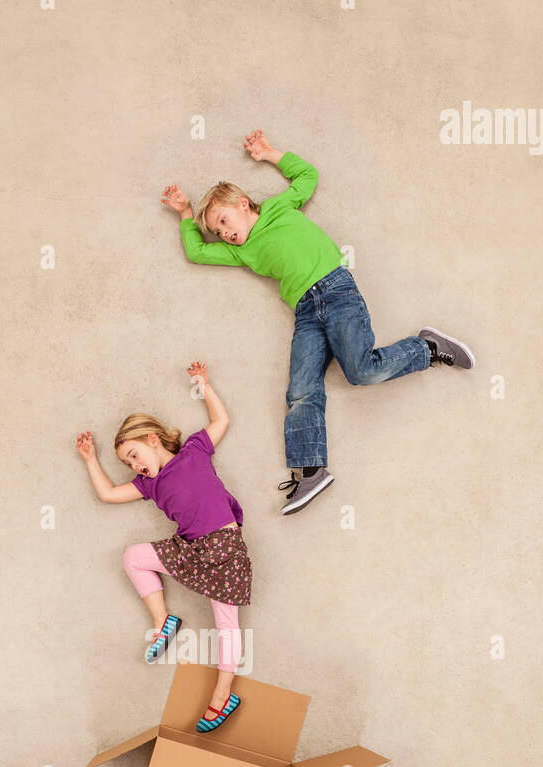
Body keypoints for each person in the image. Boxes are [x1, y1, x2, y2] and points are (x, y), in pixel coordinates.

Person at [162, 128, 474, 515]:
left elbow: (307, 176)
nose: (225, 233)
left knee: (361, 371)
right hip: (306, 313)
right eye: (219, 231)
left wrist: (270, 154)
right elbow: (196, 252)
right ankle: (311, 470)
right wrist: (185, 214)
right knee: (300, 389)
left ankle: (427, 347)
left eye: (224, 221)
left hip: (337, 289)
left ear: (243, 204)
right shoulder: (240, 252)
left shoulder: (279, 207)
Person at [76, 361, 251, 733]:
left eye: (134, 455)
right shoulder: (148, 485)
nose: (134, 466)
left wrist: (204, 385)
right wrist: (91, 460)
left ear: (153, 439)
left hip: (225, 550)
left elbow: (221, 420)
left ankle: (222, 695)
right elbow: (108, 494)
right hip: (190, 550)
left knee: (227, 625)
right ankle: (163, 622)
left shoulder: (194, 451)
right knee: (133, 557)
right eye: (127, 462)